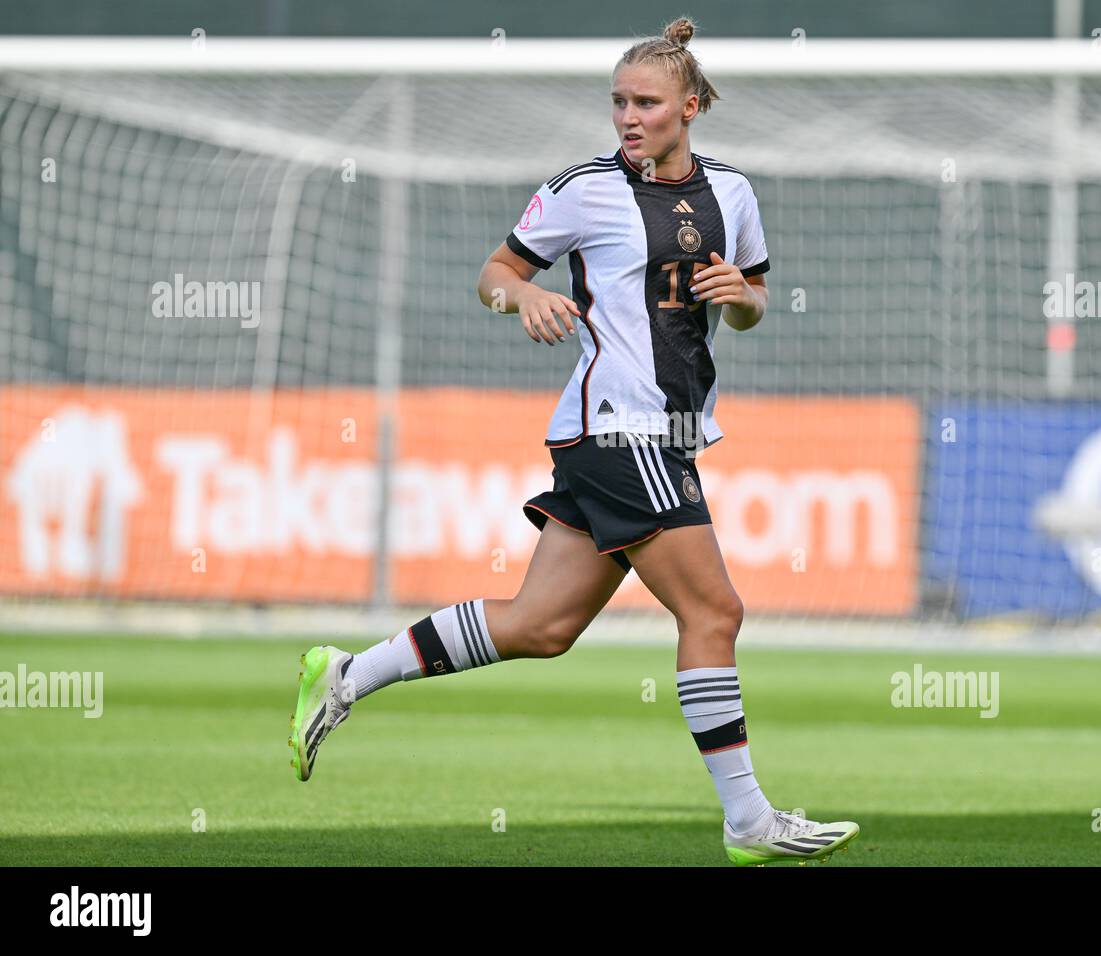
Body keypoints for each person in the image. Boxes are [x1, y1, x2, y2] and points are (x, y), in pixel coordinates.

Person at [289, 15, 859, 866]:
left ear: (691, 107)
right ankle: (748, 820)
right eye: (619, 102)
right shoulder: (585, 188)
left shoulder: (733, 193)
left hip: (669, 431)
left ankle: (346, 674)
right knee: (715, 610)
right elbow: (496, 272)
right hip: (618, 429)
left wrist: (740, 294)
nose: (629, 117)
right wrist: (523, 301)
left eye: (647, 103)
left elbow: (751, 304)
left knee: (540, 627)